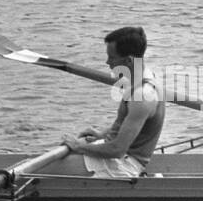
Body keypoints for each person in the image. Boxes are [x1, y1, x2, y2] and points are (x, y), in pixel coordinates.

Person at [61, 26, 167, 178]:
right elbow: (129, 124)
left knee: (37, 173)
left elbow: (117, 149)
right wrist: (102, 134)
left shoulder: (142, 95)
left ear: (128, 60)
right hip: (117, 158)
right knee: (55, 159)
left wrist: (78, 146)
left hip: (123, 165)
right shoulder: (143, 76)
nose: (107, 62)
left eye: (112, 57)